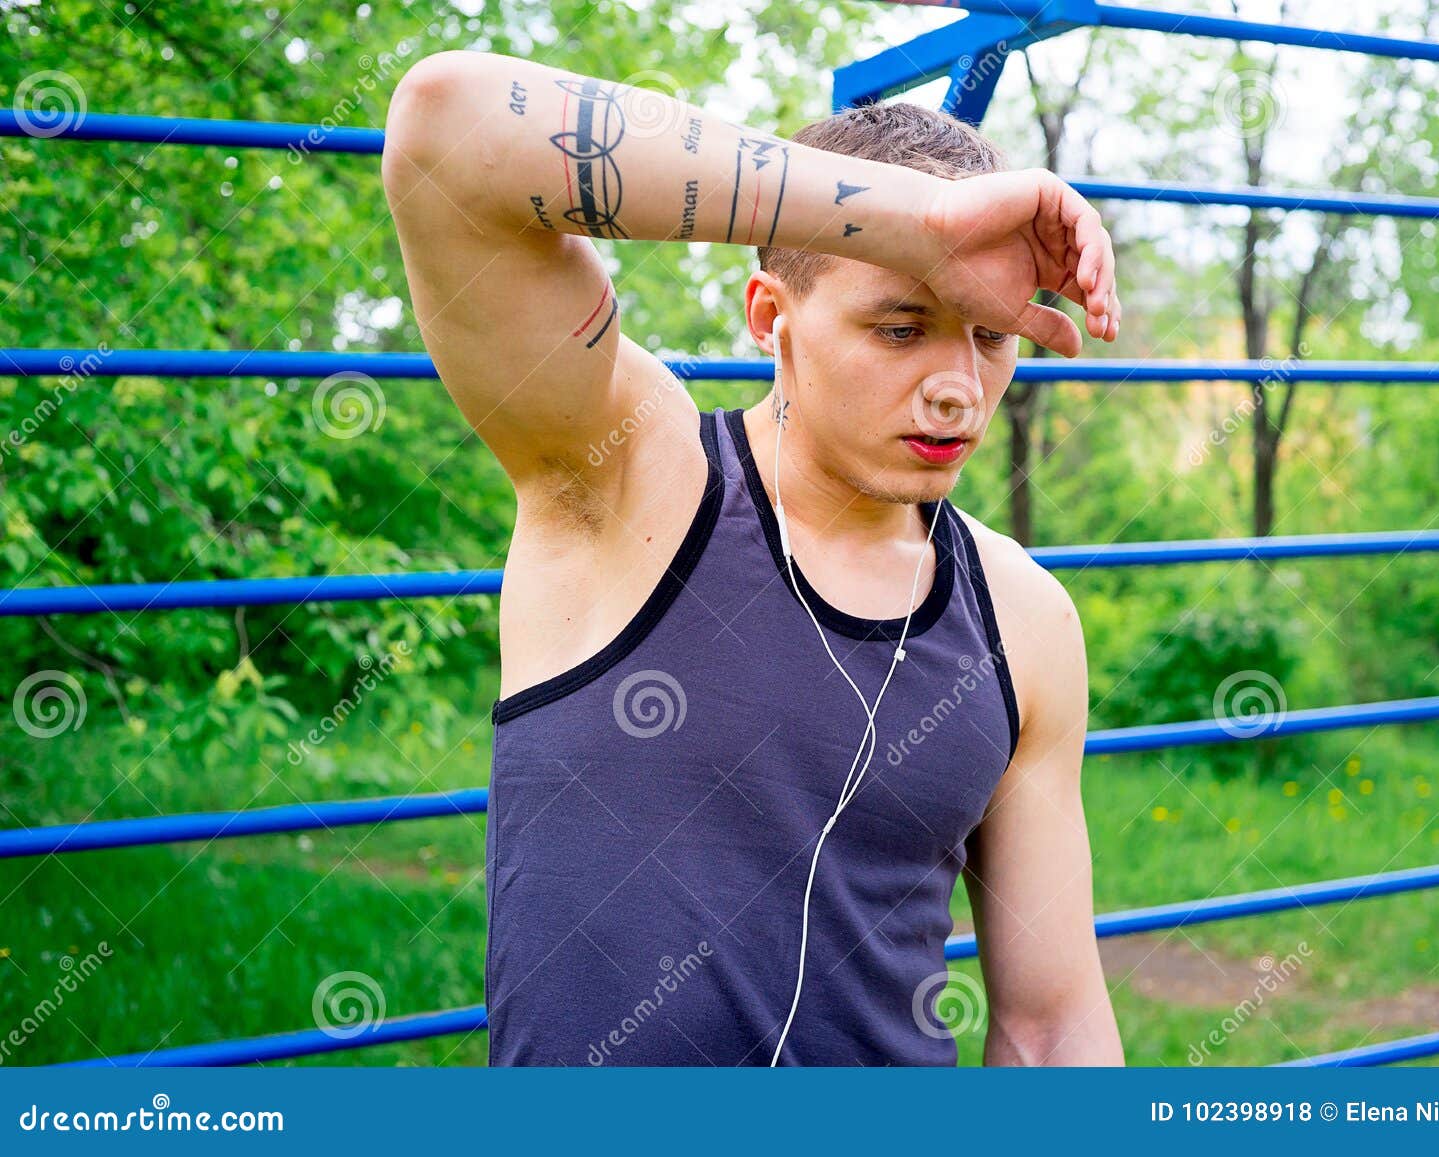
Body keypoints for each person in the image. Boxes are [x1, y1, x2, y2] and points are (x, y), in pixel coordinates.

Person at [381, 47, 1125, 1066]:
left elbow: (1049, 1028)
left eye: (990, 337)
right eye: (900, 326)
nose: (956, 384)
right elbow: (446, 128)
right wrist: (920, 223)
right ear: (771, 318)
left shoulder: (1024, 617)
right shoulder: (627, 478)